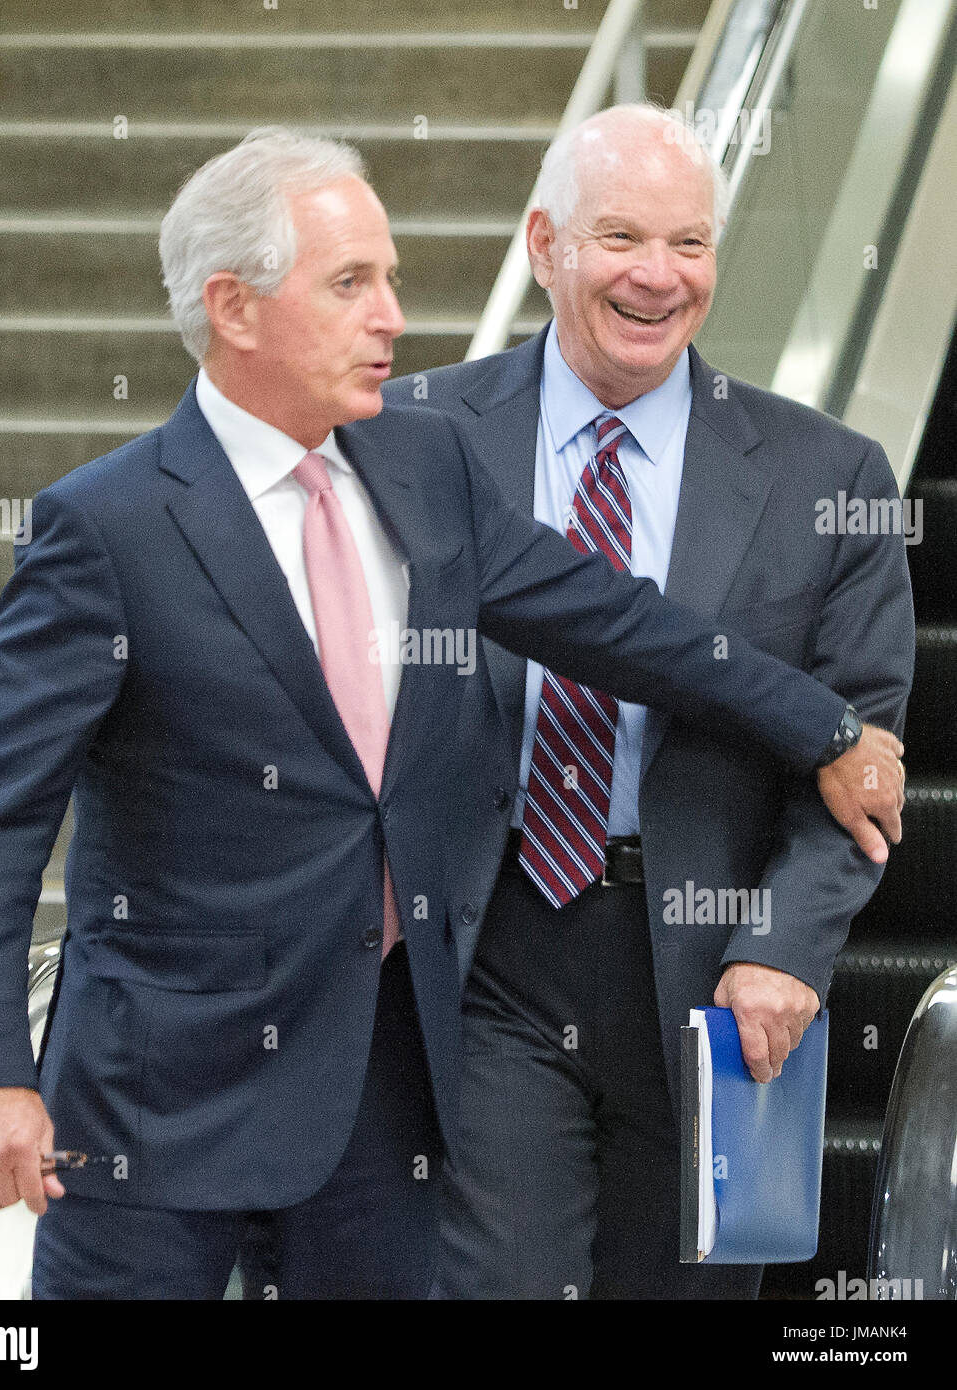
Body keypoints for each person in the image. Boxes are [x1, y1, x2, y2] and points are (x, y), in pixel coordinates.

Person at [0, 125, 903, 1301]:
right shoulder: (104, 527)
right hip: (158, 1106)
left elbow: (617, 623)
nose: (393, 314)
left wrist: (827, 730)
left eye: (389, 276)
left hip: (386, 1097)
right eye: (351, 284)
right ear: (235, 309)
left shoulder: (420, 467)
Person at [384, 104, 915, 1300]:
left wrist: (783, 945)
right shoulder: (418, 438)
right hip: (492, 952)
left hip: (716, 979)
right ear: (543, 243)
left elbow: (862, 755)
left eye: (689, 243)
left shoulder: (827, 479)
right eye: (619, 236)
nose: (656, 276)